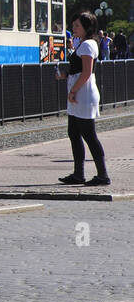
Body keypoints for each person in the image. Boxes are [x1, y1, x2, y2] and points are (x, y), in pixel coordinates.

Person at [56, 11, 109, 186]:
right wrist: (65, 75)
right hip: (79, 93)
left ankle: (103, 175)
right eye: (73, 25)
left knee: (89, 135)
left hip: (83, 94)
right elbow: (78, 69)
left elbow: (86, 72)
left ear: (87, 27)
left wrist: (73, 91)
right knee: (74, 133)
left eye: (77, 25)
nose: (74, 28)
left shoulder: (88, 45)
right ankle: (78, 173)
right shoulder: (82, 44)